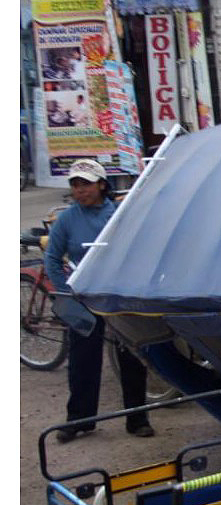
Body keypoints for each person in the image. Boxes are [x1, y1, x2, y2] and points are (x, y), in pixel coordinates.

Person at [46, 159, 154, 443]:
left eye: (86, 184)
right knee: (83, 361)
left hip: (117, 296)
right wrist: (68, 291)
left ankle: (138, 418)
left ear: (101, 185)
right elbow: (53, 260)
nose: (80, 191)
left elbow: (137, 250)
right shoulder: (67, 220)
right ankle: (80, 420)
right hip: (83, 298)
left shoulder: (120, 214)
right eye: (75, 185)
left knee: (131, 358)